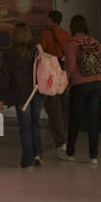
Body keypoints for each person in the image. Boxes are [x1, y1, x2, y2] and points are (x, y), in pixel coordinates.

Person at [0, 23, 42, 168]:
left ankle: (27, 159)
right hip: (37, 93)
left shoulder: (9, 54)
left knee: (24, 127)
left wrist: (2, 97)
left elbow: (5, 77)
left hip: (21, 95)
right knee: (35, 124)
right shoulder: (36, 51)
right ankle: (37, 154)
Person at [63, 15, 101, 163]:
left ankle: (70, 153)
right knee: (93, 119)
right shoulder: (94, 41)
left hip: (80, 84)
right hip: (97, 83)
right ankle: (94, 156)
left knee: (74, 119)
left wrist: (66, 84)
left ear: (72, 27)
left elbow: (70, 67)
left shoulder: (71, 43)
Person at [39, 11, 71, 158]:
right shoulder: (66, 34)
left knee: (53, 107)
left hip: (51, 73)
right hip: (64, 72)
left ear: (50, 20)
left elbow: (40, 53)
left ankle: (60, 142)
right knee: (63, 104)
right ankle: (65, 137)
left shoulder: (46, 34)